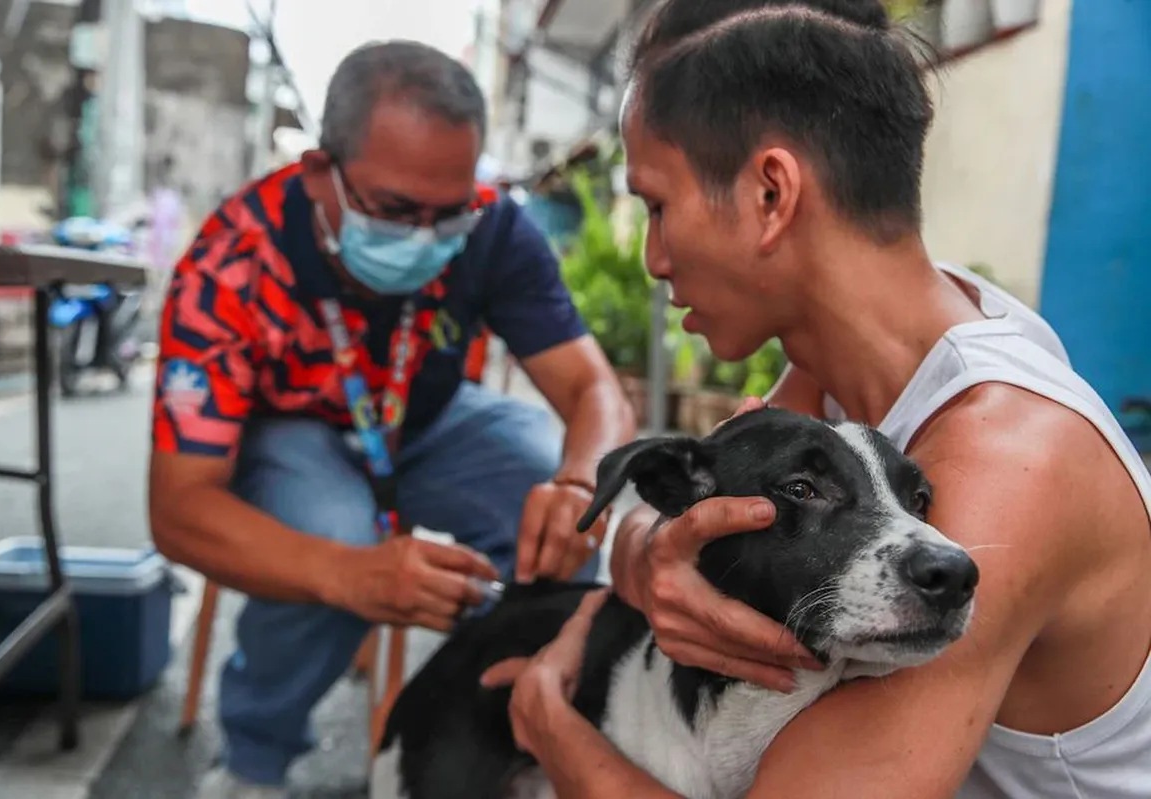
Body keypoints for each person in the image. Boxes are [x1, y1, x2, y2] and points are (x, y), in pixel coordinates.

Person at [480, 2, 1151, 797]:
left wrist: (548, 725)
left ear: (771, 193)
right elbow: (682, 519)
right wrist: (643, 556)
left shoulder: (1006, 460)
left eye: (657, 205)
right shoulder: (861, 365)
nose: (655, 259)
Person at [147, 40, 636, 798]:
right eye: (394, 210)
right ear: (320, 173)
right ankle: (253, 765)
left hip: (430, 419)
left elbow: (595, 392)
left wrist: (579, 482)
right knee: (332, 534)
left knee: (557, 504)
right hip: (296, 432)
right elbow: (179, 510)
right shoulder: (230, 268)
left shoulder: (494, 228)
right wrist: (349, 573)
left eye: (449, 214)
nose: (425, 238)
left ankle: (519, 728)